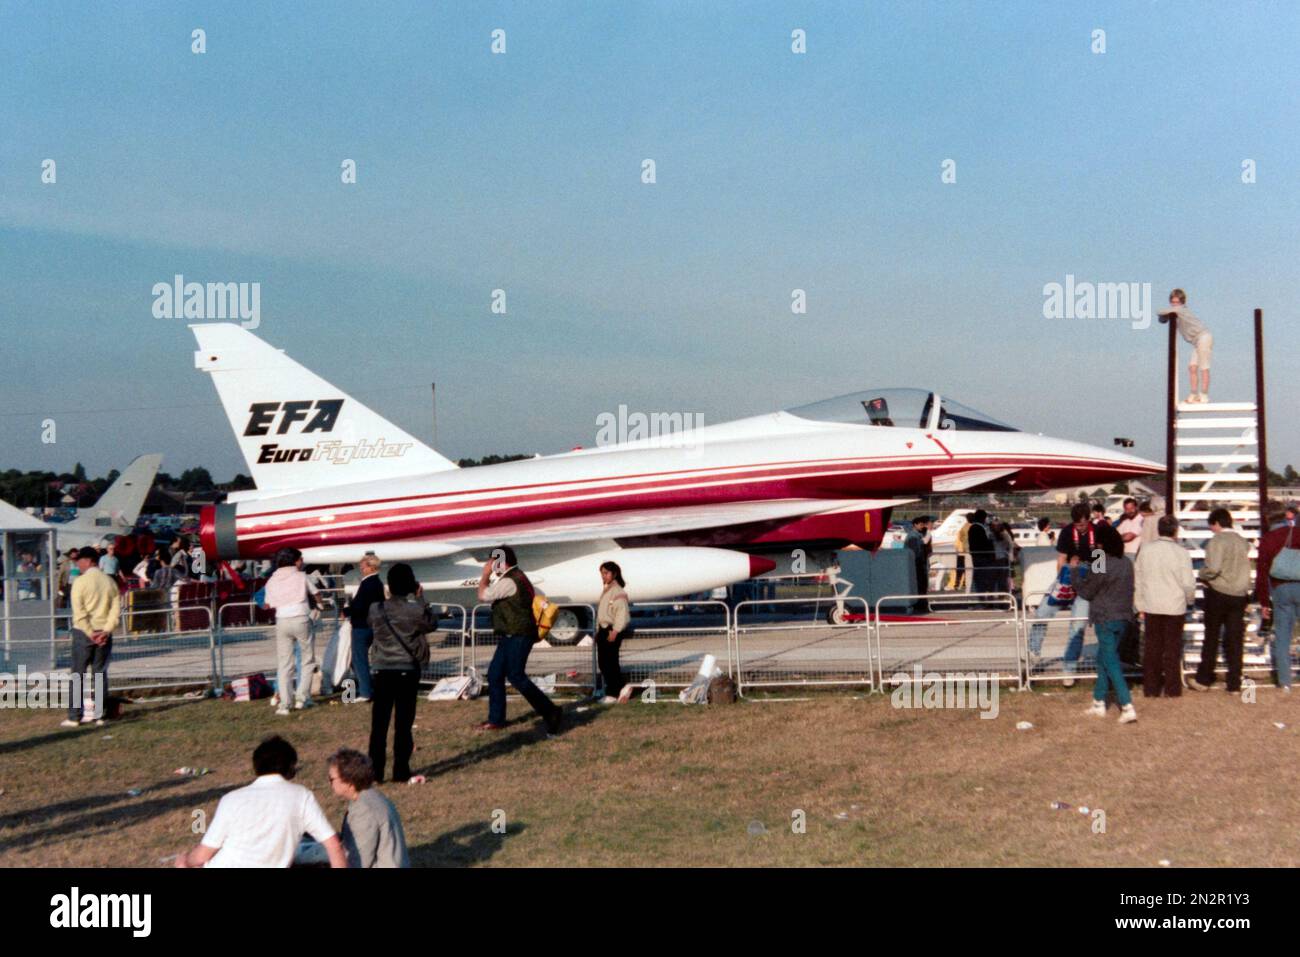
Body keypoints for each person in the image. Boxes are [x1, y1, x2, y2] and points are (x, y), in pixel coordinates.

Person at [175, 735, 347, 868]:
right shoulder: (301, 796)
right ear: (291, 768)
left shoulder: (231, 799)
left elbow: (204, 853)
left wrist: (185, 860)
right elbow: (334, 845)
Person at [477, 545, 562, 734]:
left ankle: (550, 711)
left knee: (515, 675)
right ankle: (496, 719)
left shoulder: (509, 581)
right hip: (513, 634)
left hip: (518, 634)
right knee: (495, 674)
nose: (490, 565)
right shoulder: (517, 576)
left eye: (493, 561)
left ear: (501, 561)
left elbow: (483, 595)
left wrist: (484, 575)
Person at [367, 563, 436, 783]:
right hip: (407, 669)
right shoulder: (414, 610)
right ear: (411, 584)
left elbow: (371, 624)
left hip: (382, 668)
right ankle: (400, 769)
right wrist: (421, 599)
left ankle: (375, 771)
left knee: (379, 724)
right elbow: (431, 624)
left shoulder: (375, 609)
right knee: (403, 723)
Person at [1073, 524, 1138, 724]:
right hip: (1124, 617)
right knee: (1104, 658)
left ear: (1100, 543)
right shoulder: (1126, 562)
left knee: (1110, 661)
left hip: (1105, 617)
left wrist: (1075, 571)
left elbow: (1087, 591)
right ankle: (1098, 702)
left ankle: (1127, 706)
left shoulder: (1100, 560)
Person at [1031, 504, 1097, 686]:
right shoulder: (1067, 532)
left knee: (1077, 626)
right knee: (1042, 612)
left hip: (1086, 583)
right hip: (1067, 578)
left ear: (1088, 520)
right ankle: (1033, 651)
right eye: (1077, 525)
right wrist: (1061, 581)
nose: (1080, 528)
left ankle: (1069, 669)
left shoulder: (1097, 533)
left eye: (1083, 525)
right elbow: (1061, 560)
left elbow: (1100, 563)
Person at [1190, 508, 1251, 693]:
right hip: (1239, 593)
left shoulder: (1217, 540)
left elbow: (1213, 568)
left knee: (1212, 637)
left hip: (1218, 592)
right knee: (1235, 639)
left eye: (1212, 526)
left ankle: (1204, 678)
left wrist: (1202, 574)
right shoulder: (1242, 541)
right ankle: (1234, 682)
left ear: (1216, 523)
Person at [1134, 515, 1196, 697]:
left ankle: (1151, 688)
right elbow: (1188, 583)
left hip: (1152, 604)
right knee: (1172, 649)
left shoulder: (1145, 550)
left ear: (1158, 530)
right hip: (1175, 606)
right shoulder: (1181, 553)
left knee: (1152, 649)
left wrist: (1140, 605)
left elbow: (1139, 579)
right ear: (1175, 531)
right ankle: (1172, 689)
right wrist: (1190, 600)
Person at [60, 546, 120, 727]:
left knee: (78, 673)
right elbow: (115, 610)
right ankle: (100, 714)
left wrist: (90, 632)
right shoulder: (109, 582)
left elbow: (79, 612)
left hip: (83, 632)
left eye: (79, 560)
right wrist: (106, 631)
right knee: (100, 673)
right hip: (104, 632)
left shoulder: (80, 582)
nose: (77, 563)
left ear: (88, 561)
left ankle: (74, 716)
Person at [327, 749, 410, 867]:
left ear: (349, 782)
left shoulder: (364, 810)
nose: (330, 783)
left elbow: (358, 860)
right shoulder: (372, 797)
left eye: (332, 779)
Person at [265, 546, 320, 715]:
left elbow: (267, 603)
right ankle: (303, 698)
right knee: (307, 660)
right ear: (294, 561)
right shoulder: (301, 576)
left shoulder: (272, 579)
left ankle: (285, 704)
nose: (302, 562)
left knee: (284, 664)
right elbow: (316, 593)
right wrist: (319, 603)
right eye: (300, 559)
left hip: (282, 620)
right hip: (301, 618)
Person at [1257, 511, 1300, 691]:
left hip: (1280, 588)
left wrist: (1264, 602)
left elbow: (1261, 574)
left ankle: (1285, 682)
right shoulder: (1297, 532)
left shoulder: (1267, 539)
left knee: (1283, 636)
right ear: (1284, 518)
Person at [1158, 288, 1214, 403]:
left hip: (1203, 337)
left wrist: (1165, 315)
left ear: (1182, 303)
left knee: (1204, 366)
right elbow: (1162, 319)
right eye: (1172, 303)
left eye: (1177, 302)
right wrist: (1164, 317)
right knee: (1192, 367)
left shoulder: (1181, 310)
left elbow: (1160, 311)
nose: (1174, 305)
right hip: (1196, 341)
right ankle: (1193, 394)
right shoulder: (1176, 313)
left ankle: (1203, 395)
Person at [344, 554, 384, 703]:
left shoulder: (367, 584)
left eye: (364, 566)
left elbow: (360, 606)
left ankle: (366, 691)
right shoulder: (377, 583)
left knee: (358, 659)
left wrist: (347, 611)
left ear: (371, 567)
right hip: (374, 624)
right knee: (362, 659)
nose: (361, 568)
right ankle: (368, 686)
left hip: (361, 625)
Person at [596, 561, 633, 702]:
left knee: (609, 662)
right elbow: (602, 613)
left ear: (614, 574)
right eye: (602, 573)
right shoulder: (607, 590)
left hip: (611, 630)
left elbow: (622, 614)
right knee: (604, 663)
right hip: (604, 630)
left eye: (606, 573)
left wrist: (616, 631)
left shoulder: (618, 592)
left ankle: (614, 692)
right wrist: (598, 630)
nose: (603, 576)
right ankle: (619, 689)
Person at [966, 510, 999, 595]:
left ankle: (982, 596)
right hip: (982, 557)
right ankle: (979, 597)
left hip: (979, 556)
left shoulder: (976, 527)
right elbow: (982, 543)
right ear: (982, 518)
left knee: (981, 577)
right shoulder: (977, 528)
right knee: (981, 577)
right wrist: (990, 542)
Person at [904, 516, 933, 612]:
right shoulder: (913, 536)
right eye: (920, 524)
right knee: (919, 586)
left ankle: (922, 605)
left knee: (921, 586)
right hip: (918, 565)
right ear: (915, 524)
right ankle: (920, 605)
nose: (922, 526)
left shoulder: (917, 535)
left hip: (920, 565)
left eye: (923, 524)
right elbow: (915, 552)